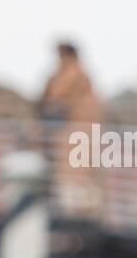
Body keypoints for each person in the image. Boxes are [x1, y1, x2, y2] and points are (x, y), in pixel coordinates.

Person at [39, 41, 103, 214]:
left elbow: (56, 94)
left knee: (74, 181)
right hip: (75, 136)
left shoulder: (73, 73)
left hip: (76, 136)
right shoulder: (77, 74)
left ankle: (75, 215)